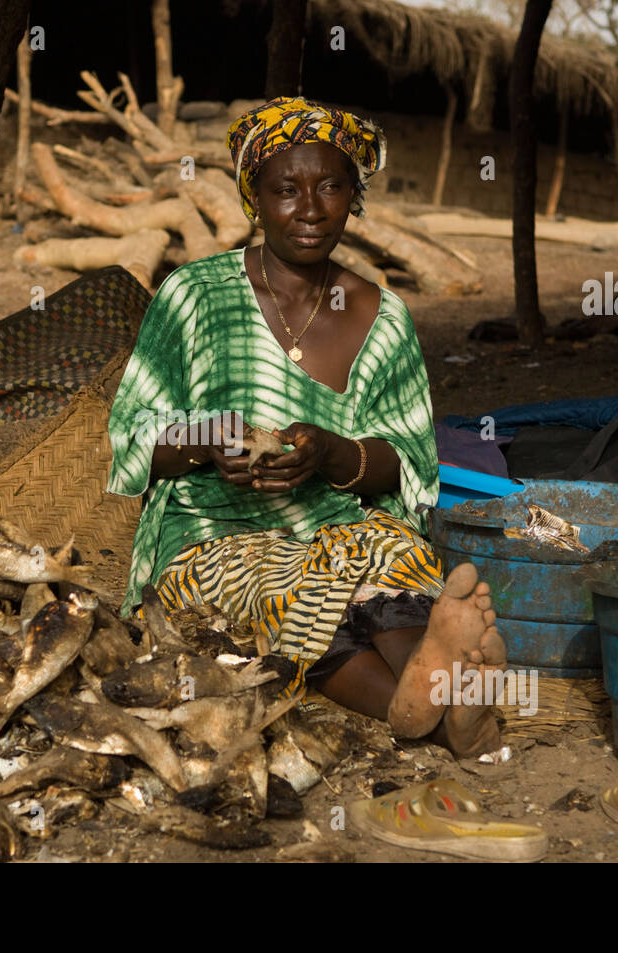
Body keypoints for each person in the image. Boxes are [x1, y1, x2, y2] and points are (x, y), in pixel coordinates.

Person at [105, 97, 505, 758]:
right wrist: (207, 443)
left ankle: (433, 681)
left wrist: (329, 453)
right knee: (286, 584)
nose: (311, 209)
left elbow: (407, 464)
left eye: (330, 187)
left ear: (355, 196)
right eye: (286, 189)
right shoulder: (194, 296)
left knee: (397, 554)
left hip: (335, 515)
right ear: (254, 198)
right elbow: (134, 441)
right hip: (213, 526)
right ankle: (429, 707)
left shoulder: (383, 315)